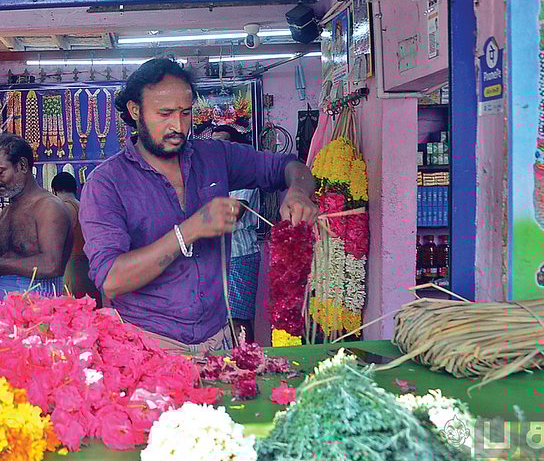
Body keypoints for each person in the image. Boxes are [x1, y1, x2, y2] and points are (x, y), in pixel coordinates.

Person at [79, 58, 318, 358]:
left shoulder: (214, 156)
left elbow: (289, 166)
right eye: (164, 114)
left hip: (218, 342)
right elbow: (111, 279)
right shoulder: (106, 183)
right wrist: (190, 231)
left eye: (186, 113)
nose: (178, 126)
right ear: (134, 111)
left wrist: (298, 191)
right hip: (146, 348)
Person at [209, 124, 263, 344]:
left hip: (241, 256)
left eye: (223, 143)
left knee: (238, 318)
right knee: (219, 320)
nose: (217, 149)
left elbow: (233, 213)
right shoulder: (213, 176)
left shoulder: (244, 176)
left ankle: (247, 363)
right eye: (214, 144)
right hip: (217, 257)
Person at [0, 134, 72, 298]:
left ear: (23, 166)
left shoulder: (48, 207)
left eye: (1, 171)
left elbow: (52, 265)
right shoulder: (6, 212)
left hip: (38, 308)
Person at [49, 171, 101, 304]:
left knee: (73, 310)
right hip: (88, 265)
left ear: (54, 190)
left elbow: (56, 240)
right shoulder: (82, 205)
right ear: (76, 188)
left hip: (72, 267)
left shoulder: (65, 207)